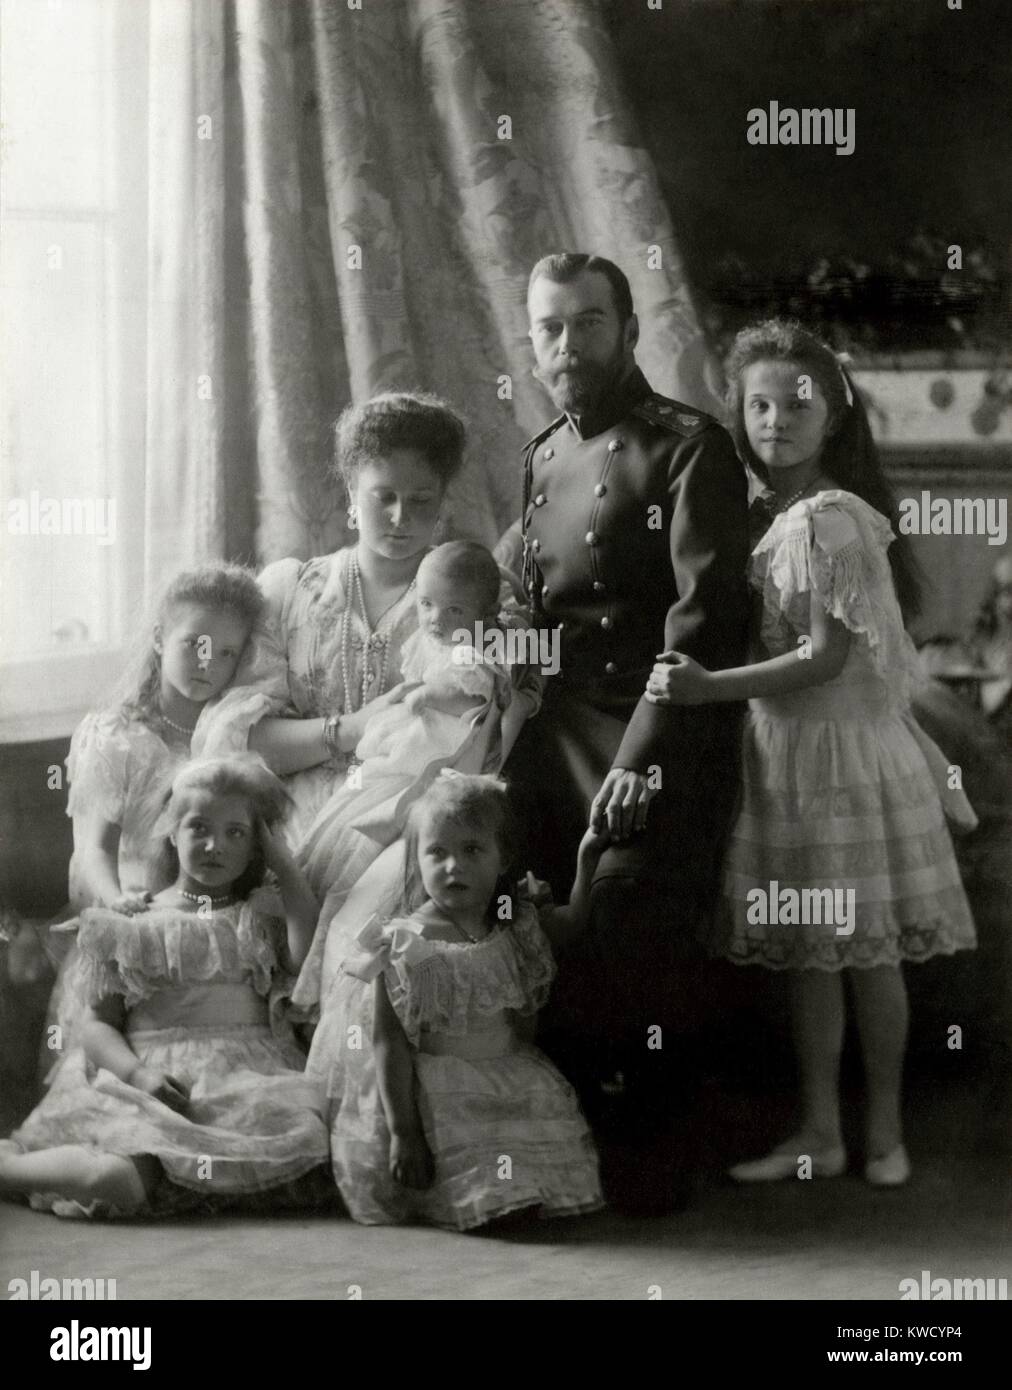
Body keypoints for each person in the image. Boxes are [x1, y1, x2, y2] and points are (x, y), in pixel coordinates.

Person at [646, 318, 978, 1187]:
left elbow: (826, 656)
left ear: (833, 417)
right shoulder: (771, 514)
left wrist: (707, 687)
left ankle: (884, 1135)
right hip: (787, 754)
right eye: (758, 405)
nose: (775, 421)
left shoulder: (829, 518)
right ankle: (820, 1132)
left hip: (840, 759)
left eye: (797, 404)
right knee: (811, 956)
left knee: (865, 952)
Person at [504, 252, 751, 1213]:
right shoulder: (541, 454)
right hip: (555, 728)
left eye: (589, 323)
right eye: (550, 328)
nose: (569, 346)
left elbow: (702, 627)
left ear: (630, 328)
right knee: (494, 886)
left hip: (665, 723)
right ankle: (552, 1133)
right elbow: (520, 600)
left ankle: (654, 1142)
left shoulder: (692, 447)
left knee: (624, 901)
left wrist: (641, 761)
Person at [198, 394, 542, 1015]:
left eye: (421, 500)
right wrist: (349, 730)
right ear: (350, 494)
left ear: (443, 506)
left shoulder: (476, 599)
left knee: (378, 925)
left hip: (412, 814)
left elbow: (481, 746)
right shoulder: (292, 591)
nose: (400, 516)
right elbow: (240, 740)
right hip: (290, 811)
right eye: (382, 495)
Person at [0, 757, 330, 1219]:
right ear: (171, 832)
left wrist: (283, 865)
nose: (216, 845)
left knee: (311, 1147)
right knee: (111, 1178)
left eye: (236, 833)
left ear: (257, 845)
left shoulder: (257, 916)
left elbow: (303, 955)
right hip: (153, 1079)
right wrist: (138, 1076)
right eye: (199, 827)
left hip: (245, 1079)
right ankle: (9, 1167)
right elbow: (95, 1027)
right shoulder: (134, 925)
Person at [314, 772, 605, 1230]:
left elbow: (568, 927)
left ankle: (516, 1194)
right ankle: (484, 1198)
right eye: (438, 852)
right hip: (437, 1088)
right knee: (470, 1155)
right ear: (418, 858)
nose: (454, 867)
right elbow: (387, 1044)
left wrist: (586, 864)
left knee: (526, 1153)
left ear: (501, 856)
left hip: (508, 1075)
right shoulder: (405, 943)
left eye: (472, 850)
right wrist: (403, 1133)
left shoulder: (512, 922)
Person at [17, 565, 266, 1062]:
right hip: (135, 921)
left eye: (226, 652)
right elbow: (92, 849)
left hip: (207, 933)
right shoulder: (118, 737)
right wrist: (117, 900)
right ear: (158, 638)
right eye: (194, 643)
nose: (207, 662)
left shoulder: (236, 730)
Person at [298, 541, 513, 907]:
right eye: (426, 604)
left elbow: (475, 698)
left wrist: (431, 695)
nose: (435, 619)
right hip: (412, 731)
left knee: (390, 789)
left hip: (445, 739)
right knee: (353, 795)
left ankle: (370, 841)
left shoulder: (472, 653)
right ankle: (311, 874)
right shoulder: (430, 640)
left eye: (454, 610)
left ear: (486, 614)